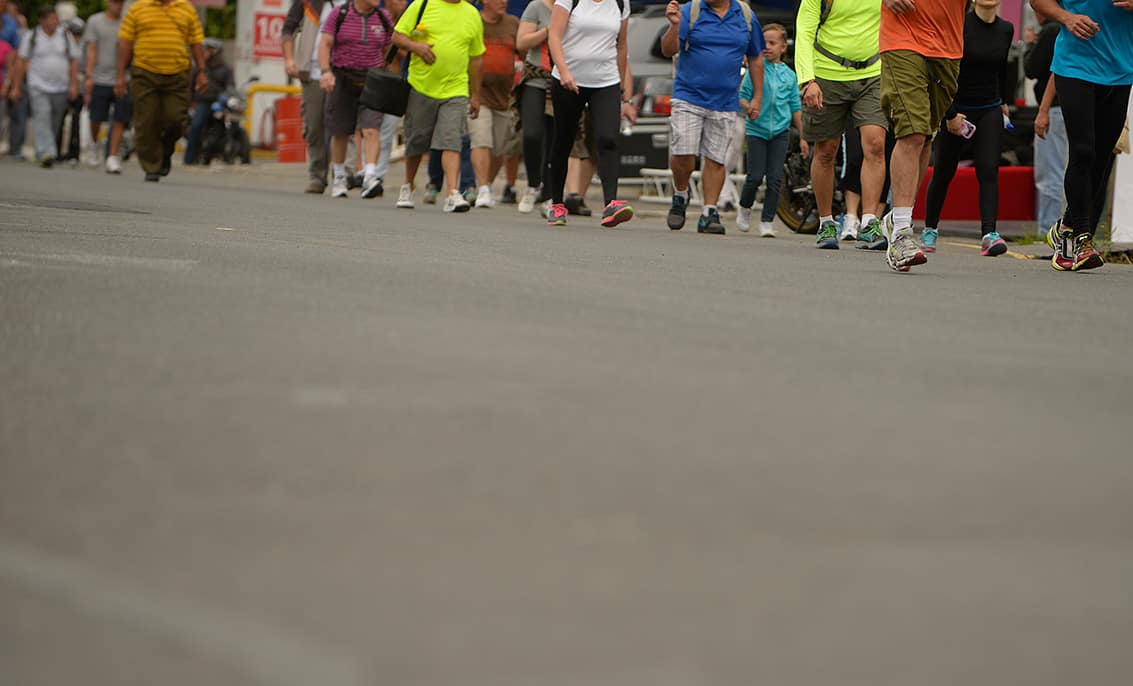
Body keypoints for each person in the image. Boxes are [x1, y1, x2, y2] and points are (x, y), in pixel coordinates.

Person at [1030, 0, 1132, 271]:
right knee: (1083, 151)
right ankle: (1082, 241)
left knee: (1101, 157)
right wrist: (1067, 17)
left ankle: (1065, 227)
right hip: (1074, 66)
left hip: (1121, 69)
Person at [660, 0, 762, 235]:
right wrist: (675, 26)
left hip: (726, 100)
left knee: (716, 159)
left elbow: (755, 57)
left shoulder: (745, 16)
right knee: (683, 153)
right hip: (688, 95)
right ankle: (681, 194)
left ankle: (708, 212)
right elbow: (667, 50)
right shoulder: (690, 11)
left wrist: (757, 96)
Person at [877, 0, 965, 272]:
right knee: (913, 132)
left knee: (926, 135)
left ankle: (897, 218)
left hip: (948, 45)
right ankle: (902, 230)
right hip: (902, 39)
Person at [921, 0, 1014, 256]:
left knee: (988, 169)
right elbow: (941, 69)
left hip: (990, 107)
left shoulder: (1006, 29)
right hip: (956, 107)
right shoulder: (959, 24)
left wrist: (1004, 101)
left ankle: (989, 234)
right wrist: (949, 113)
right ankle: (930, 229)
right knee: (943, 171)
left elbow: (1002, 69)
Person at [796, 0, 888, 251]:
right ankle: (826, 222)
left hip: (873, 72)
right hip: (827, 74)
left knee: (876, 144)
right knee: (826, 150)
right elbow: (804, 31)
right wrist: (807, 80)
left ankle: (869, 222)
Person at [545, 0, 634, 227]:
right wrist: (564, 72)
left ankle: (611, 204)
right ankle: (556, 204)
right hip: (568, 80)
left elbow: (621, 45)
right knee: (563, 141)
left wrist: (621, 84)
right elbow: (554, 36)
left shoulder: (620, 2)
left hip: (606, 81)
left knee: (607, 138)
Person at [391, 0, 485, 213]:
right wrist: (416, 47)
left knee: (451, 140)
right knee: (416, 140)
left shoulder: (472, 14)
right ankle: (408, 186)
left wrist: (476, 95)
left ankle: (452, 193)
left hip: (456, 89)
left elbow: (476, 58)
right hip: (421, 85)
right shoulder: (422, 5)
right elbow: (397, 36)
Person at [116, 0, 209, 182]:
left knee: (177, 119)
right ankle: (152, 166)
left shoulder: (186, 8)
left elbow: (196, 42)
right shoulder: (138, 8)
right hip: (144, 72)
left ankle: (165, 150)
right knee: (146, 121)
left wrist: (202, 71)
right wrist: (120, 75)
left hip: (178, 73)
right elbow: (125, 42)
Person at [738, 23, 807, 237]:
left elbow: (795, 107)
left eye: (772, 43)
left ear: (783, 47)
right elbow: (742, 95)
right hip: (756, 130)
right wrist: (748, 106)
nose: (767, 47)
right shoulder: (754, 70)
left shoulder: (789, 75)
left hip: (780, 132)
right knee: (755, 176)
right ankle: (745, 207)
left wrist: (804, 136)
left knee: (776, 178)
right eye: (763, 43)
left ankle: (767, 220)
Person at [319, 0, 393, 198]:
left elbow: (388, 47)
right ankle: (340, 176)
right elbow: (325, 43)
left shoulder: (383, 17)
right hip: (342, 76)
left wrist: (379, 69)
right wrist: (326, 71)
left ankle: (370, 175)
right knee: (340, 131)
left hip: (371, 79)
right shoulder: (339, 14)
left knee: (371, 128)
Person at [282, 0, 343, 194]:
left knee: (342, 126)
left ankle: (342, 174)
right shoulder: (308, 2)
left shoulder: (350, 4)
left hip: (343, 72)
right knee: (315, 125)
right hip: (312, 72)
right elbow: (288, 29)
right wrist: (290, 59)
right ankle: (317, 175)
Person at [10, 6, 78, 167]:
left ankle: (45, 150)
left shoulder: (65, 36)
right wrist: (17, 86)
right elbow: (21, 60)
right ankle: (47, 153)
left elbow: (73, 61)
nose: (55, 22)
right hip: (38, 85)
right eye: (52, 18)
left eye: (56, 18)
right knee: (42, 116)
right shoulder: (32, 36)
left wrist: (74, 84)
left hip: (60, 86)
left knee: (54, 121)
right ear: (42, 20)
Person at [469, 0, 519, 208]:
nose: (504, 2)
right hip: (477, 95)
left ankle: (485, 185)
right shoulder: (473, 21)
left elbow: (523, 52)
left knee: (500, 148)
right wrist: (473, 94)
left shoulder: (513, 23)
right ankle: (482, 189)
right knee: (481, 140)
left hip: (505, 98)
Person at [1024, 9, 1067, 236]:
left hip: (1053, 110)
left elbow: (1032, 69)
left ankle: (1048, 229)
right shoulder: (1070, 27)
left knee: (1050, 172)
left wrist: (1031, 45)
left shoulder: (1051, 30)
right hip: (1072, 107)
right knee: (1067, 169)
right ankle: (1070, 228)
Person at [83, 0, 131, 174]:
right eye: (114, 2)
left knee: (120, 118)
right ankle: (94, 145)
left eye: (120, 2)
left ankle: (112, 155)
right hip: (100, 78)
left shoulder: (128, 21)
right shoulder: (95, 21)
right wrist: (89, 76)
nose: (117, 5)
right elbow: (91, 50)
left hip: (122, 78)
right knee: (96, 118)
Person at [516, 0, 554, 213]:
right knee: (532, 134)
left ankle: (550, 195)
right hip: (536, 78)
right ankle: (532, 185)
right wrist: (547, 31)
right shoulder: (536, 7)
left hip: (561, 80)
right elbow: (521, 43)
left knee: (554, 139)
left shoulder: (573, 8)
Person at [184, 38, 234, 165]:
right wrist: (190, 102)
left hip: (219, 104)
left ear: (215, 52)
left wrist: (226, 97)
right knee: (196, 126)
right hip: (203, 103)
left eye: (206, 50)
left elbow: (231, 87)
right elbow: (190, 87)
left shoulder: (226, 69)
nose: (203, 53)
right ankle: (189, 159)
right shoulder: (200, 69)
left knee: (234, 123)